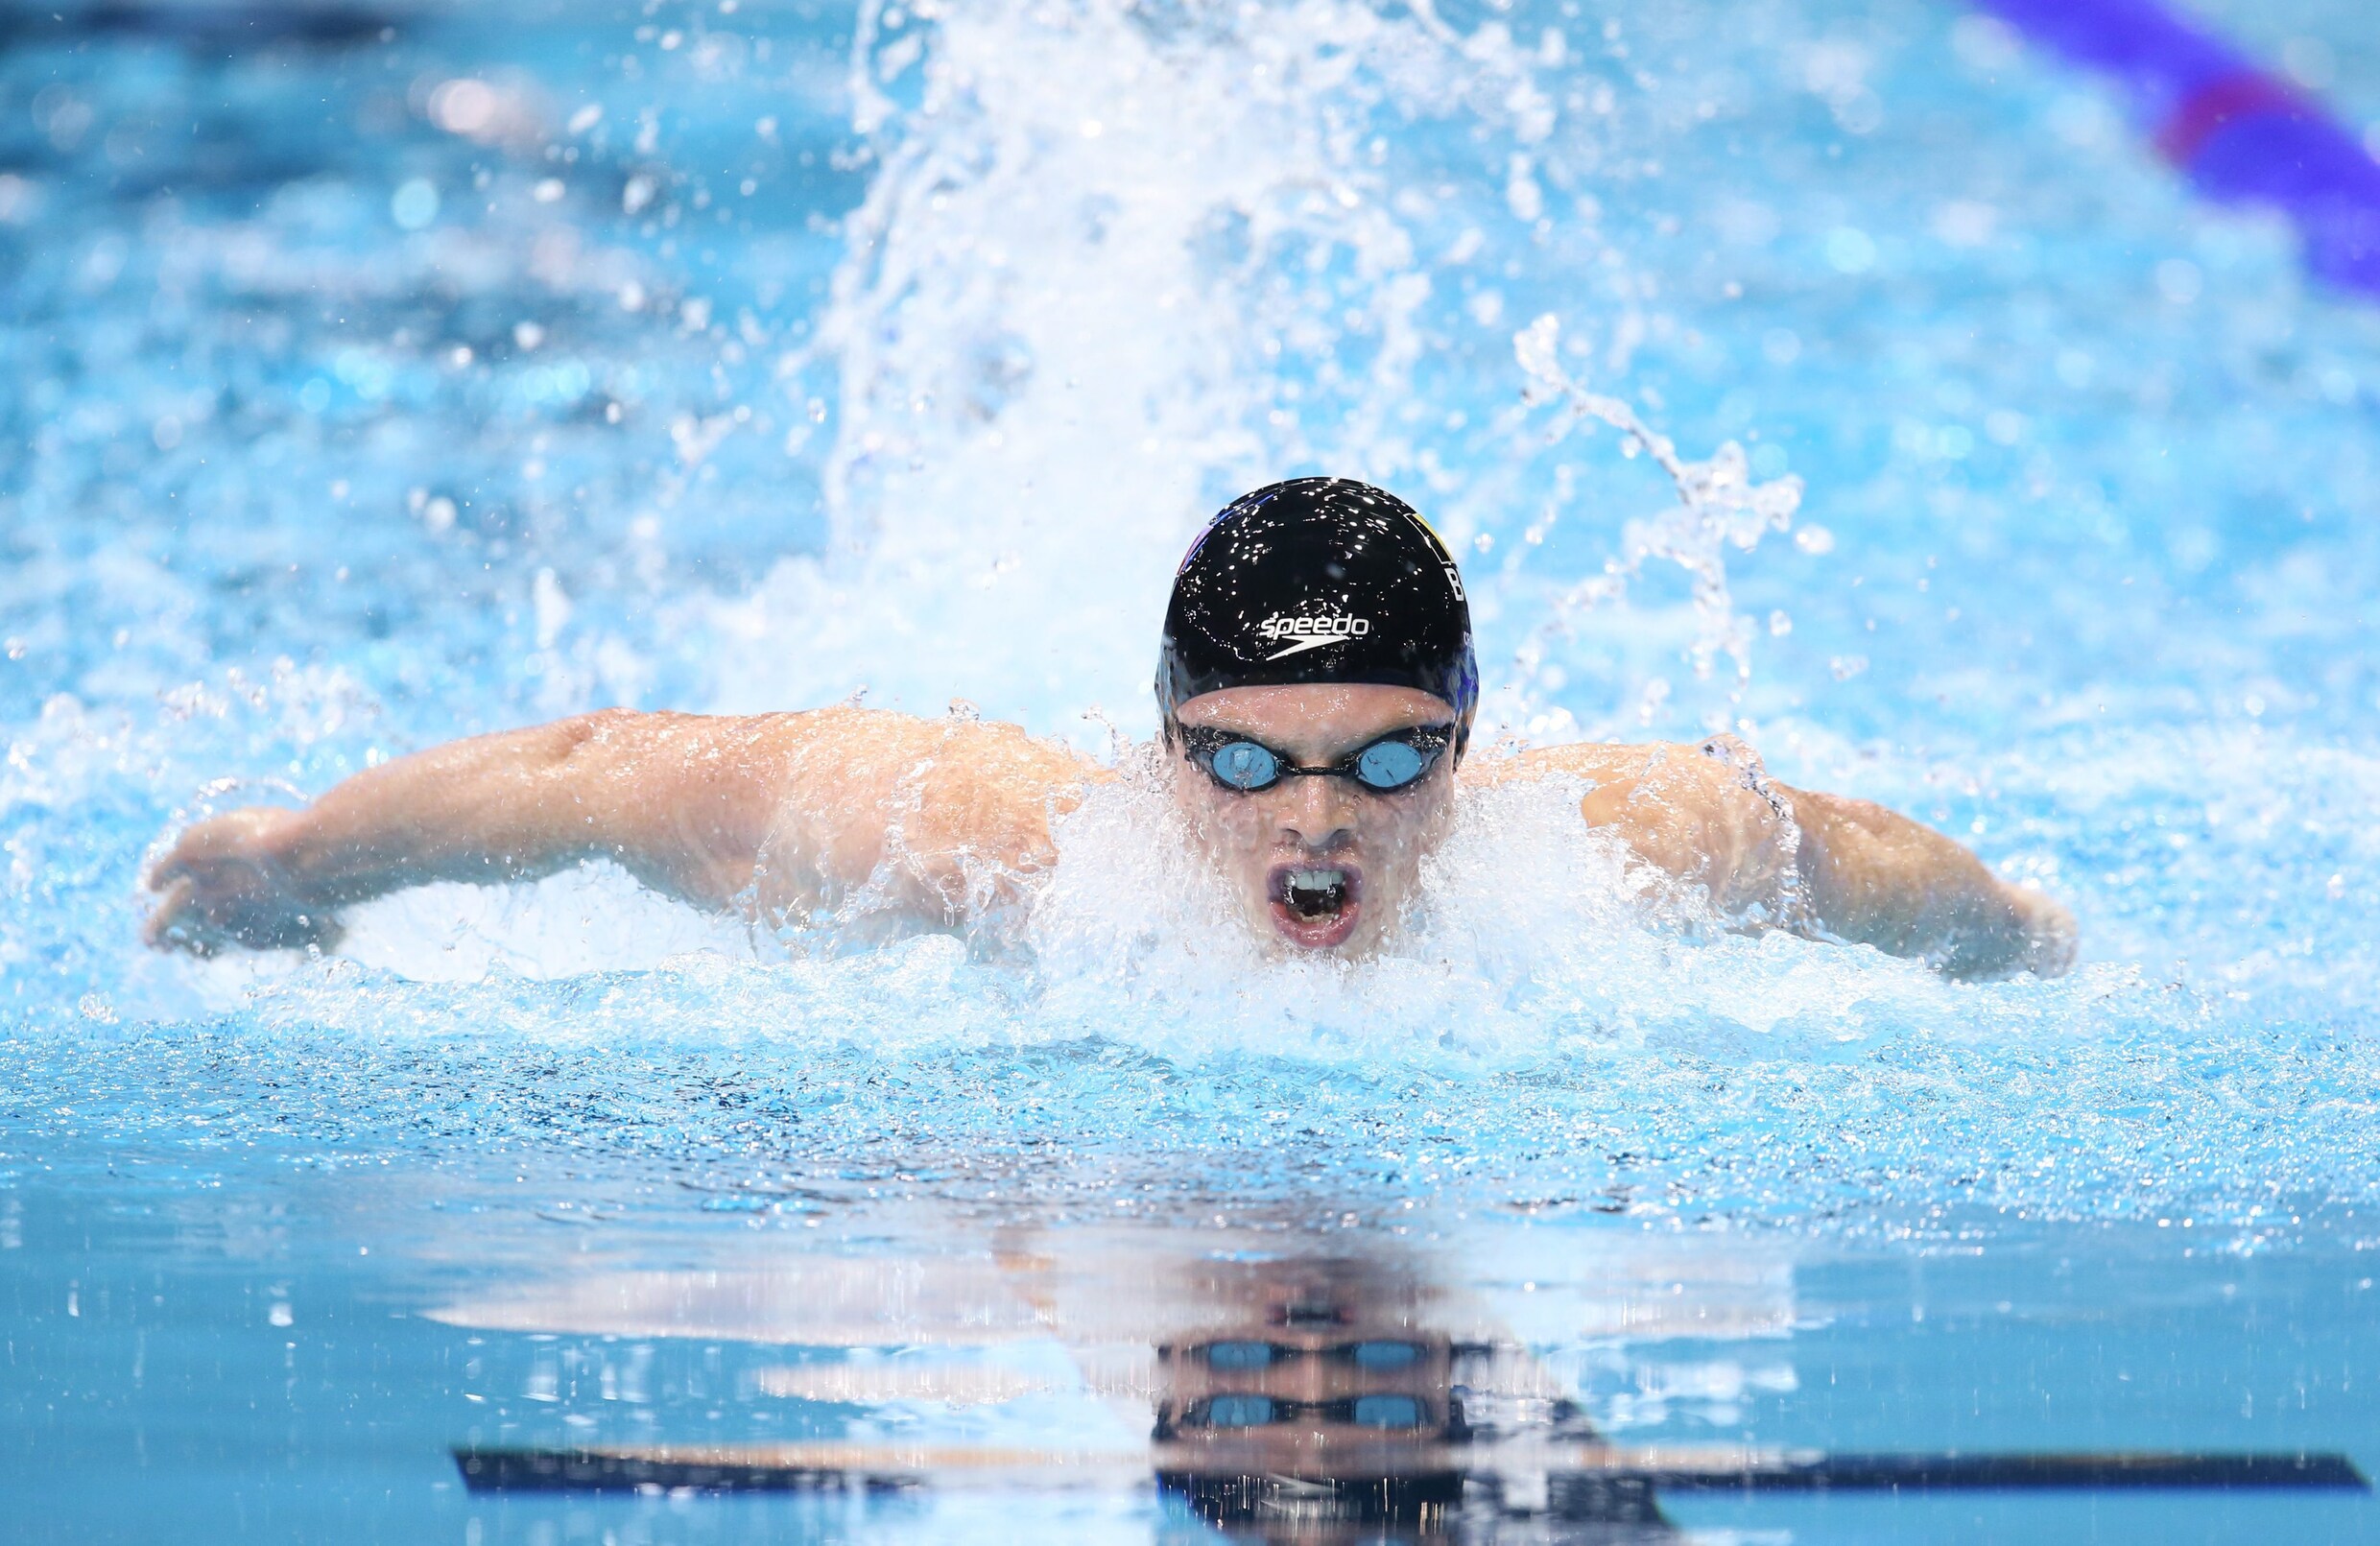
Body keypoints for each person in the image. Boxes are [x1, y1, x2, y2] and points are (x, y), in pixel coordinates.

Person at [143, 479, 2075, 978]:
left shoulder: (1623, 842)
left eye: (1385, 755)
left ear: (1466, 749)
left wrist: (2013, 932)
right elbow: (610, 769)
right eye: (1246, 758)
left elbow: (1837, 847)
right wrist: (299, 863)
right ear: (1166, 749)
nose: (1311, 818)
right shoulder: (1001, 848)